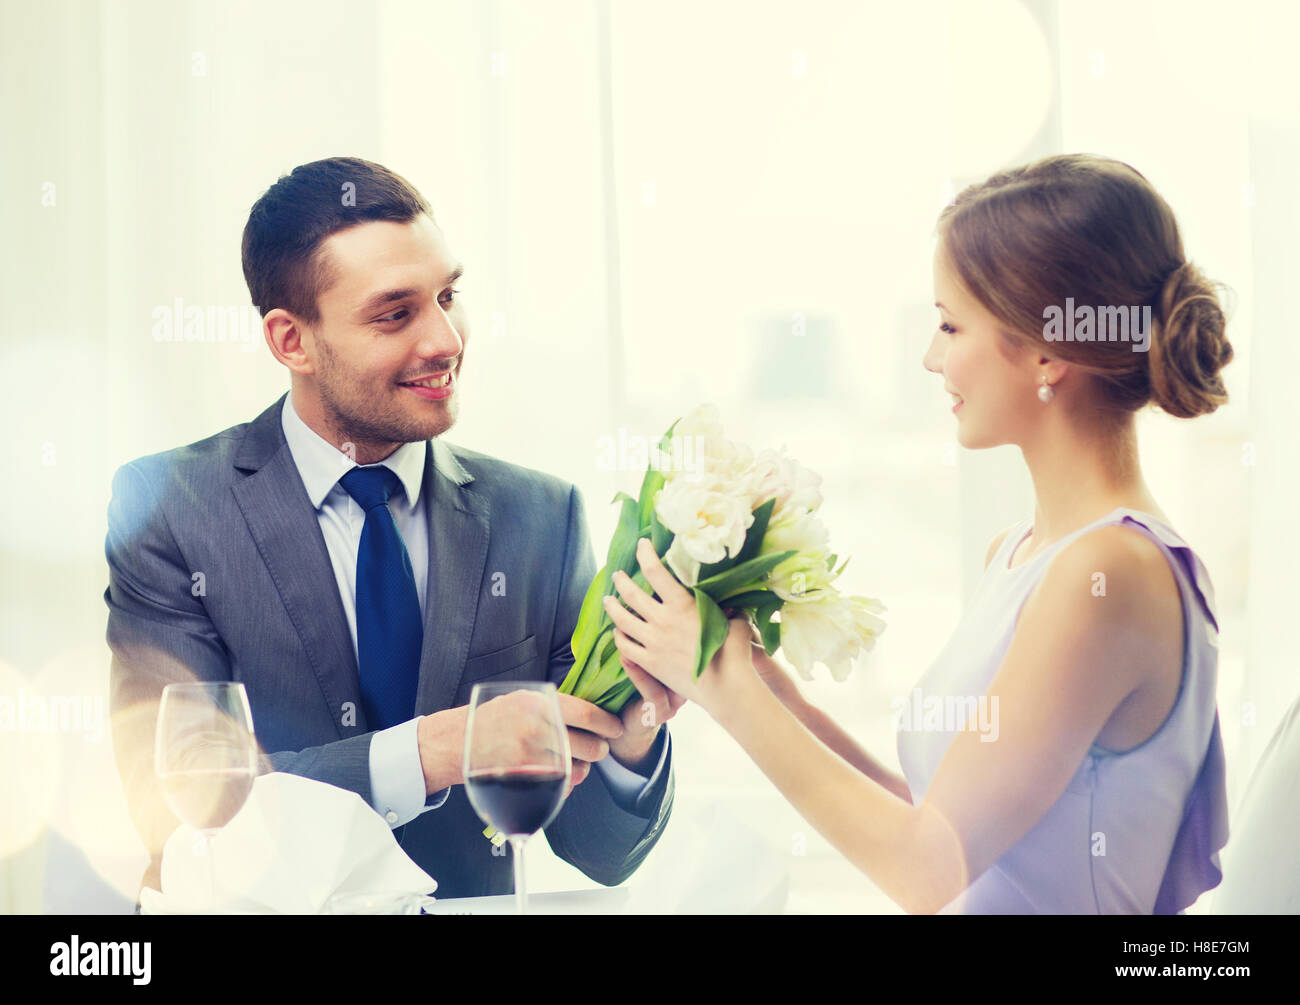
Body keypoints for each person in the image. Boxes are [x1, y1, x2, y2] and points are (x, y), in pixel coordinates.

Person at [606, 154, 1232, 913]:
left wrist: (724, 686)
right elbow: (947, 829)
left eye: (949, 324)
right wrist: (771, 691)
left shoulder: (1109, 573)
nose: (932, 357)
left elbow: (930, 869)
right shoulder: (1026, 554)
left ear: (1047, 349)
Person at [104, 156, 676, 903]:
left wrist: (633, 733)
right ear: (292, 341)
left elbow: (602, 852)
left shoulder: (542, 516)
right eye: (395, 314)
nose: (446, 340)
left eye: (448, 296)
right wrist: (436, 750)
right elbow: (179, 810)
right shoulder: (172, 508)